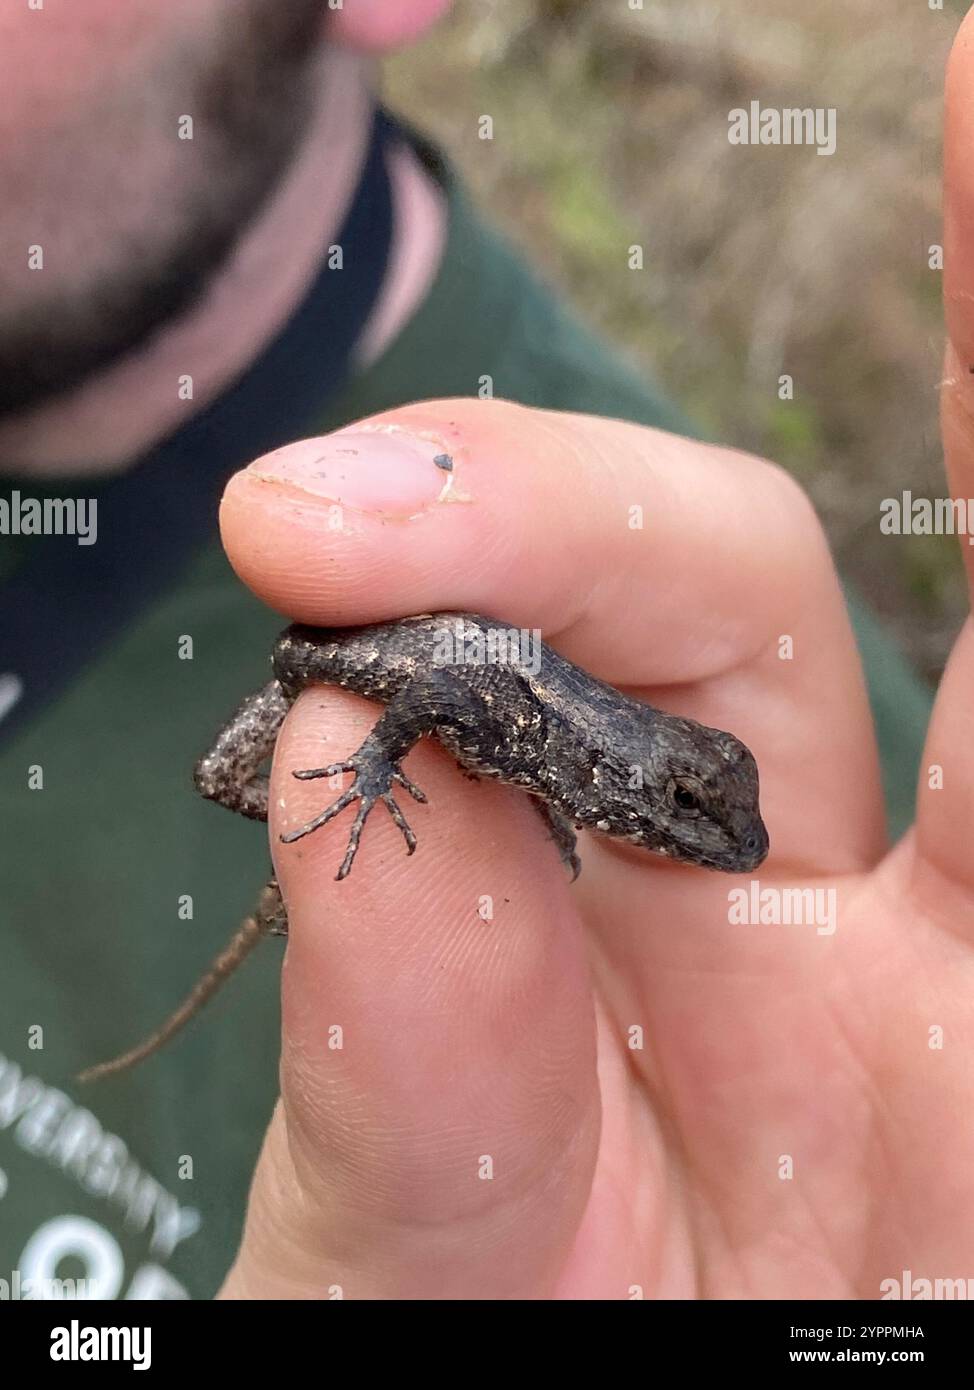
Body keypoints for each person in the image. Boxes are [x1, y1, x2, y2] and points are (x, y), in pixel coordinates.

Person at [0, 0, 964, 1300]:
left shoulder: (857, 889)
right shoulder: (584, 749)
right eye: (692, 812)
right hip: (374, 686)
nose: (709, 842)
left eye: (695, 814)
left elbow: (467, 704)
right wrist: (387, 767)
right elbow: (453, 694)